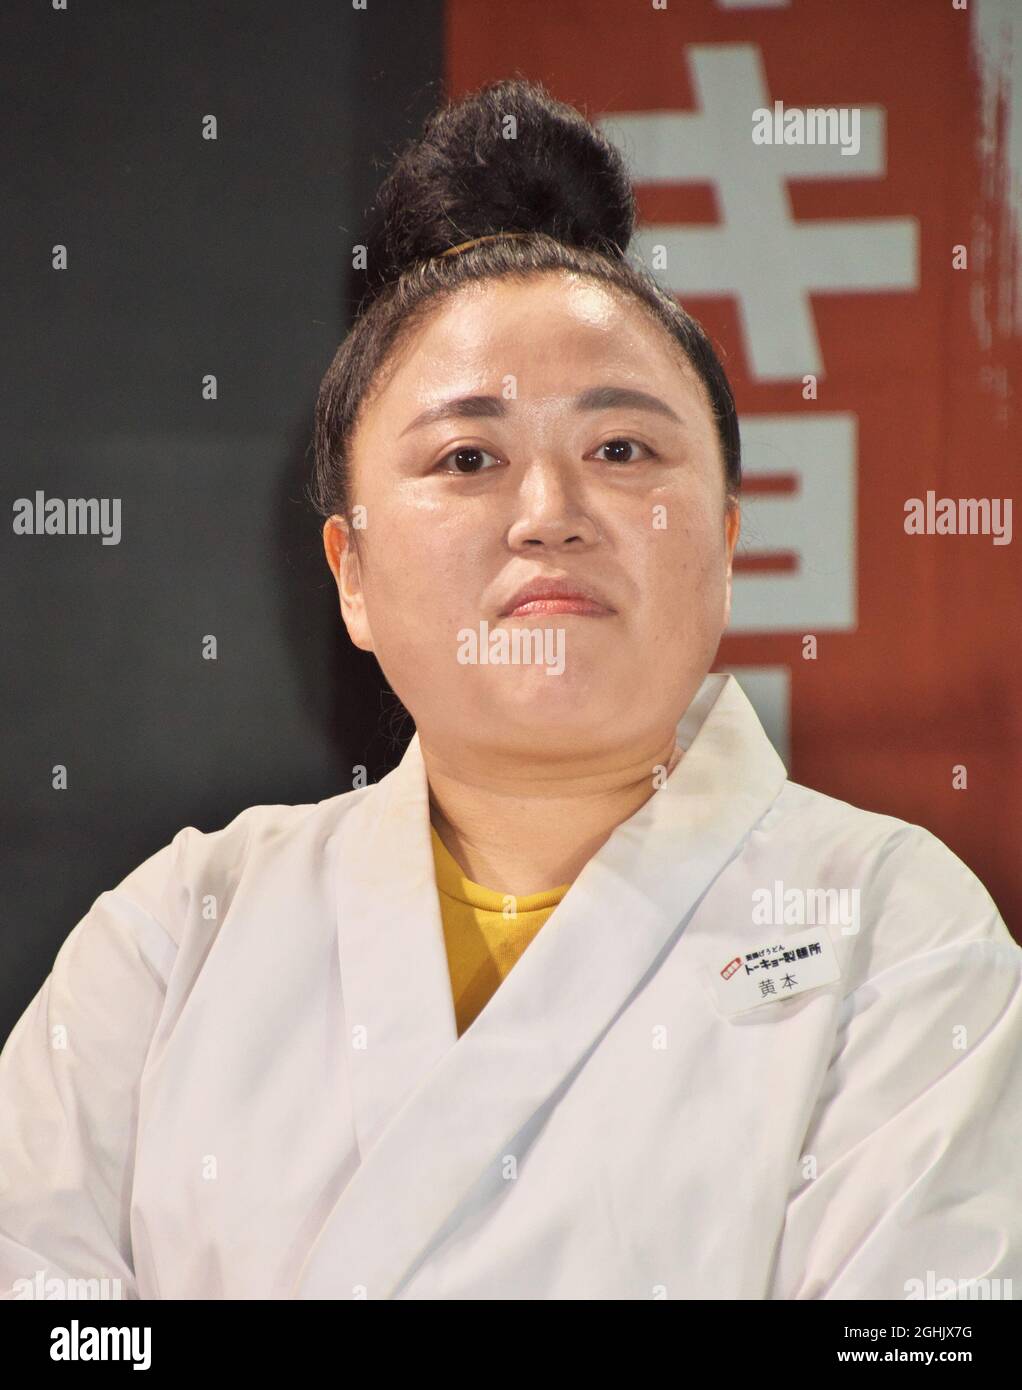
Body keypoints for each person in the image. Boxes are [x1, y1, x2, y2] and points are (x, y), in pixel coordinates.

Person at [2, 77, 1019, 1302]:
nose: (548, 516)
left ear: (727, 544)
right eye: (467, 457)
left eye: (620, 450)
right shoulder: (170, 942)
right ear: (353, 571)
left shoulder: (900, 936)